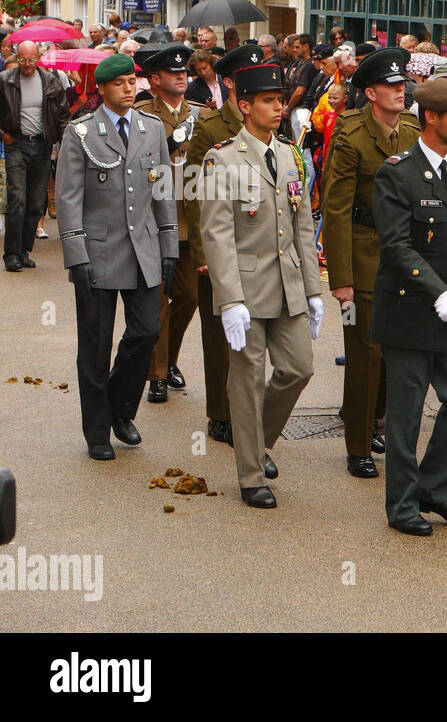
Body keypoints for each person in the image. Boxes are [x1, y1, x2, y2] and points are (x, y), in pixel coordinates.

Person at [200, 60, 322, 508]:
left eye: (280, 100)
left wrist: (313, 288)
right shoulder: (222, 158)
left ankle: (257, 439)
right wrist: (229, 298)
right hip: (246, 288)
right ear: (245, 106)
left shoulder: (290, 154)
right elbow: (216, 233)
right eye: (269, 101)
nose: (279, 107)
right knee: (247, 380)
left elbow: (303, 224)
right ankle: (251, 474)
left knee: (298, 368)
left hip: (288, 283)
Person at [371, 77, 447, 535]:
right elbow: (397, 247)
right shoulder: (397, 172)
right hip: (411, 310)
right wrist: (439, 292)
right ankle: (401, 507)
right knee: (406, 413)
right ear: (432, 117)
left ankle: (436, 489)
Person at [56, 53, 178, 460]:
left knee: (146, 332)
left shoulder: (152, 128)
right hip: (97, 251)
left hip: (143, 251)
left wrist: (168, 245)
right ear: (103, 90)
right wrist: (76, 254)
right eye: (121, 83)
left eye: (133, 81)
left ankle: (121, 408)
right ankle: (96, 433)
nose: (131, 88)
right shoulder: (81, 133)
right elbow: (69, 197)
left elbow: (162, 190)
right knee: (95, 346)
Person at [321, 48, 421, 479]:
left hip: (405, 255)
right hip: (364, 253)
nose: (401, 93)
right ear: (370, 92)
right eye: (392, 87)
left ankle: (376, 420)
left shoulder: (415, 131)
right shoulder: (352, 133)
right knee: (365, 352)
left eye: (403, 86)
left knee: (396, 348)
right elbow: (337, 207)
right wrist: (340, 277)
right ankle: (357, 444)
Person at [184, 43, 267, 447]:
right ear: (232, 82)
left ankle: (249, 408)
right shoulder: (211, 126)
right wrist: (202, 254)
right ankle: (221, 412)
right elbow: (194, 190)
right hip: (220, 241)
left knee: (254, 330)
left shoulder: (269, 121)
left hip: (259, 242)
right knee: (219, 335)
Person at [135, 44, 205, 404]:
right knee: (157, 299)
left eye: (185, 71)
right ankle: (157, 374)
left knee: (190, 296)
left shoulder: (203, 115)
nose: (182, 75)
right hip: (154, 219)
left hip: (192, 221)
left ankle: (170, 358)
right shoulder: (141, 115)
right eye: (173, 72)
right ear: (155, 80)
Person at [2, 41, 69, 272]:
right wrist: (3, 133)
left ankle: (24, 250)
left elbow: (61, 115)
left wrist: (63, 143)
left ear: (38, 58)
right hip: (16, 144)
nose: (27, 64)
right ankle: (11, 254)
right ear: (16, 57)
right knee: (17, 198)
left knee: (36, 203)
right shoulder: (5, 79)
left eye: (31, 60)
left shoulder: (50, 81)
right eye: (22, 60)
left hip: (42, 145)